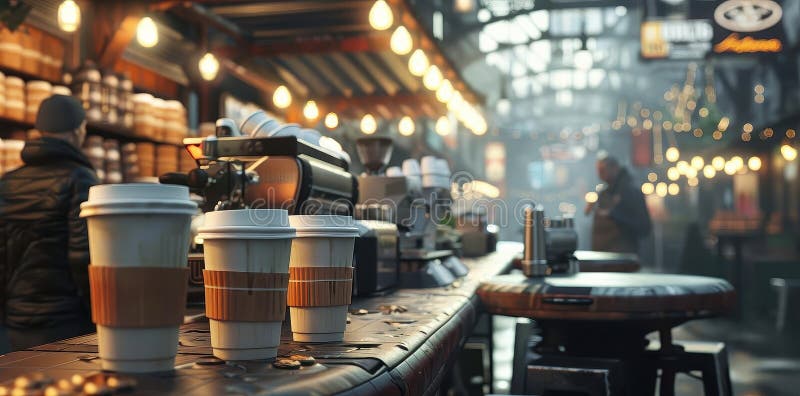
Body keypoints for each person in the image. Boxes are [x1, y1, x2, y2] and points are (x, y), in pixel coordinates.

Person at [0, 95, 98, 352]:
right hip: (67, 324)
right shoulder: (81, 178)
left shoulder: (7, 182)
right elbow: (85, 255)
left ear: (40, 131)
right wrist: (99, 314)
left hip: (14, 325)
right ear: (79, 130)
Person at [585, 155, 651, 253]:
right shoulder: (605, 192)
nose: (599, 174)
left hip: (622, 256)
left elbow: (644, 226)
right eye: (598, 170)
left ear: (615, 168)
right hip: (603, 255)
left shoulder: (630, 192)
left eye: (603, 170)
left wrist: (613, 214)